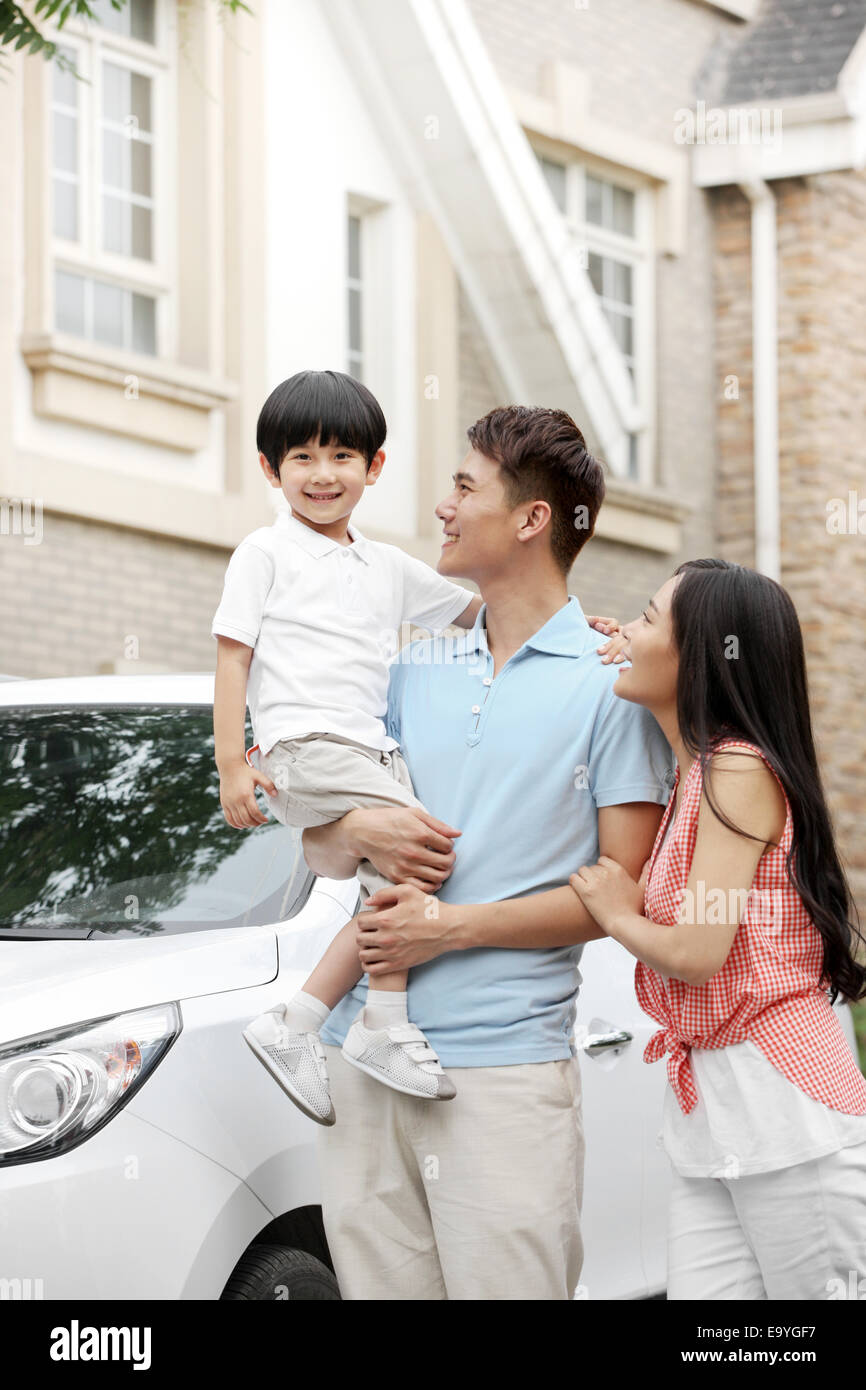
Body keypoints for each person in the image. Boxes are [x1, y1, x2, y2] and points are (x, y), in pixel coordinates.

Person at [301, 404, 673, 1300]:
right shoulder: (410, 669)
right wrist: (350, 831)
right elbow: (322, 849)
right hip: (363, 1057)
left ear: (531, 519)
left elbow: (620, 894)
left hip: (502, 1076)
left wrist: (450, 929)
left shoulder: (611, 684)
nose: (443, 506)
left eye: (465, 487)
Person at [567, 558, 866, 1300]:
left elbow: (698, 952)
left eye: (645, 617)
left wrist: (616, 913)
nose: (627, 631)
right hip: (712, 1120)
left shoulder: (737, 768)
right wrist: (595, 639)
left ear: (699, 652)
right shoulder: (693, 773)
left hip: (787, 1115)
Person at [211, 369, 485, 1122]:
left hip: (367, 753)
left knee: (391, 880)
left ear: (375, 467)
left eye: (341, 457)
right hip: (304, 746)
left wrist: (579, 623)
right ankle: (382, 1025)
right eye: (301, 457)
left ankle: (297, 1022)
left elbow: (480, 613)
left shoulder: (387, 567)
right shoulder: (263, 554)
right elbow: (233, 657)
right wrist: (233, 763)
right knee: (424, 846)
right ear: (271, 470)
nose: (322, 474)